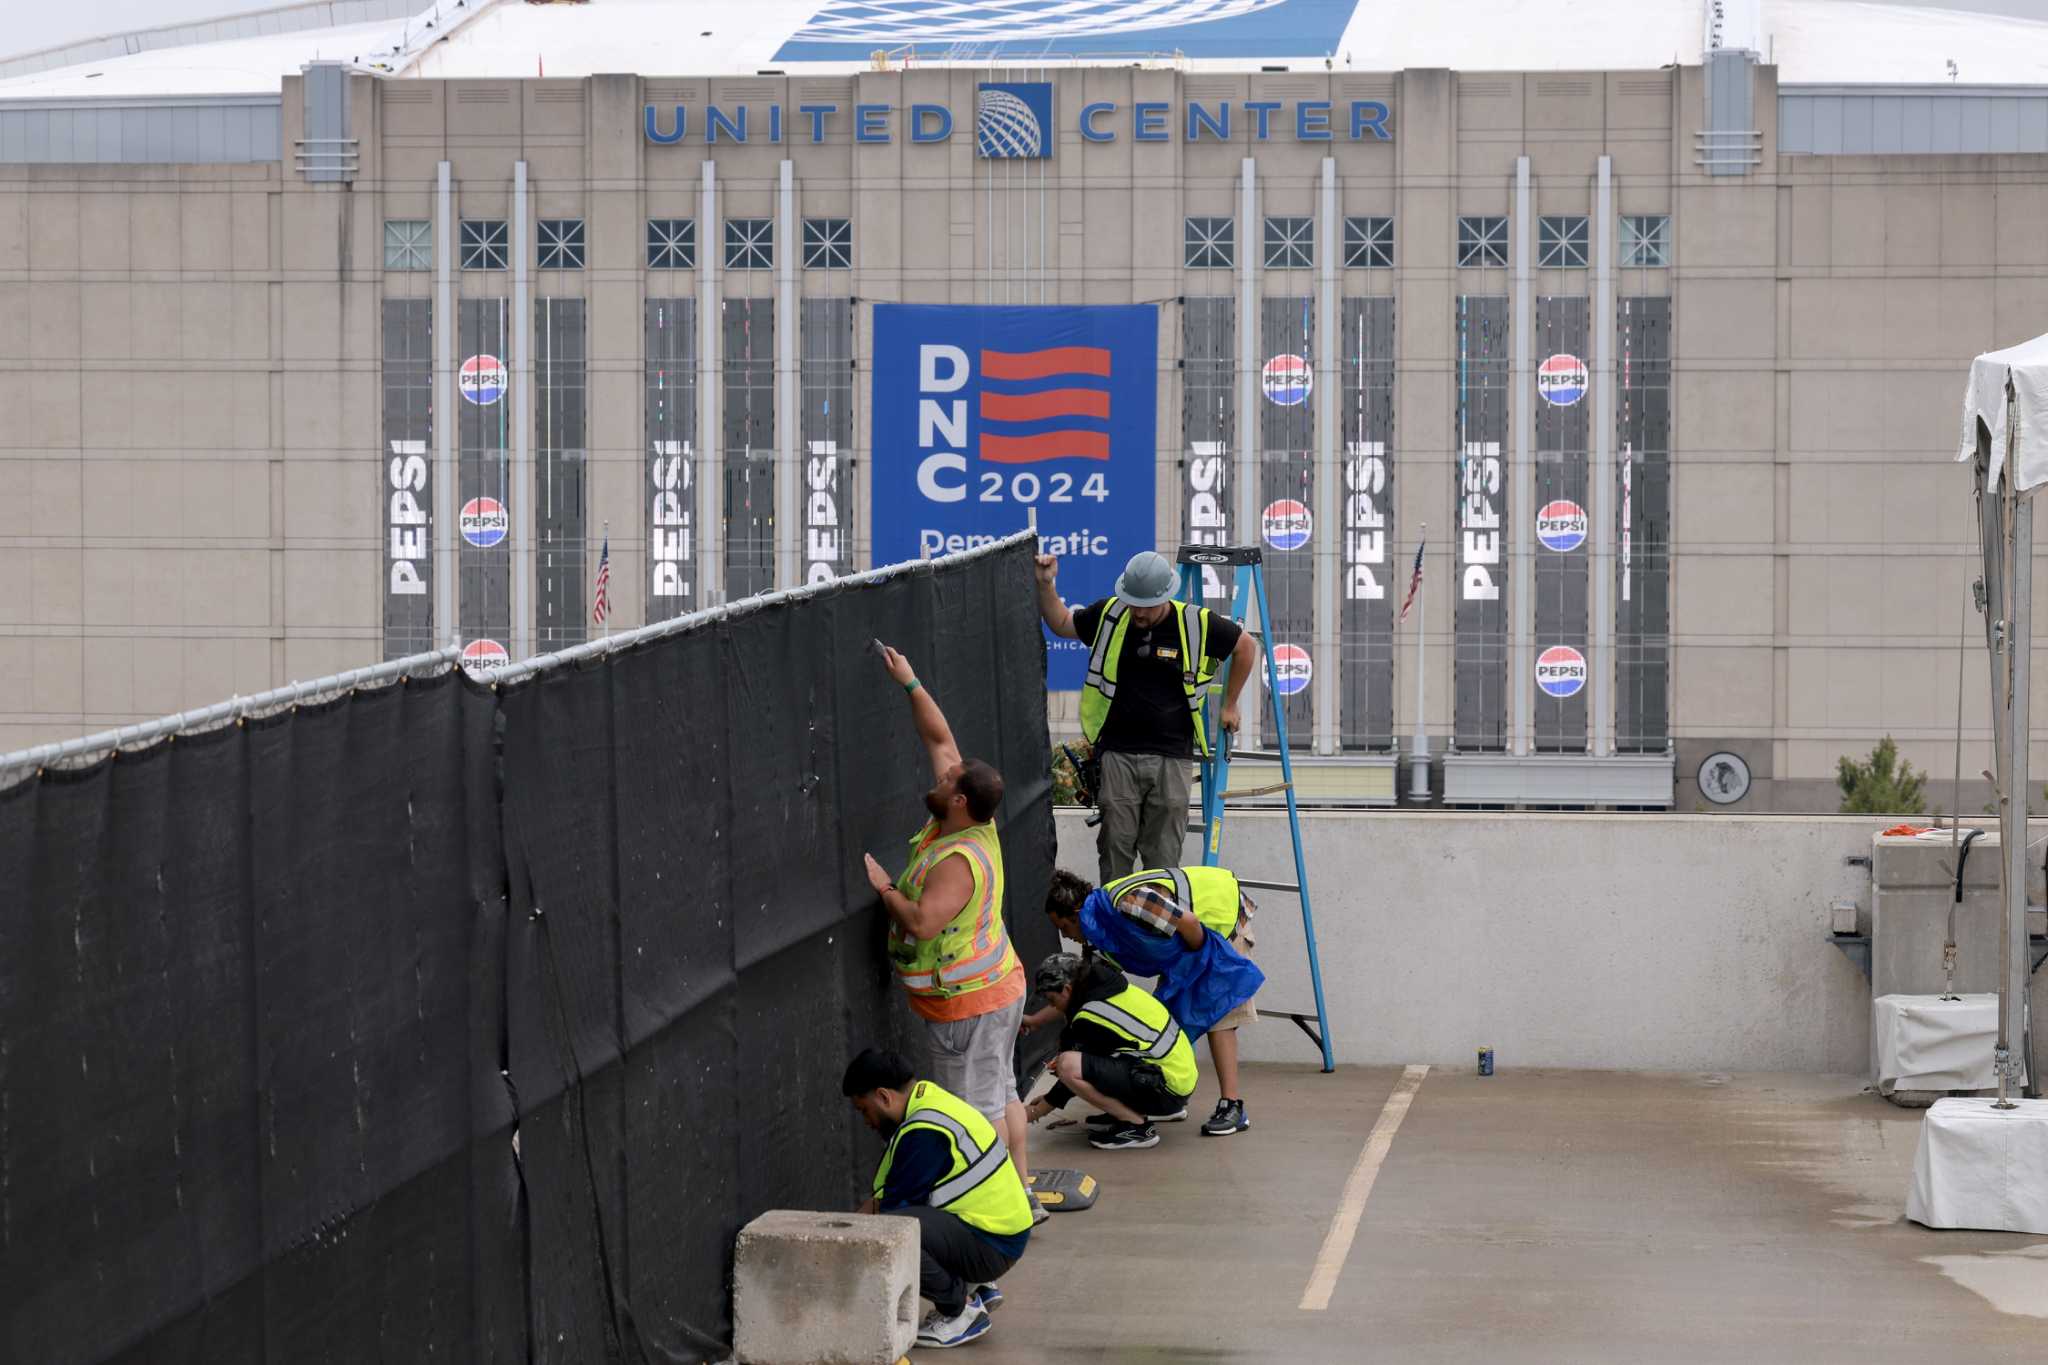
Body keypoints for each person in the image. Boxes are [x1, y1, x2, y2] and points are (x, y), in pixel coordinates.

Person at [860, 643, 1036, 1212]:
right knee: (1002, 1090)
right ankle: (1023, 1189)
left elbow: (922, 922)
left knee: (976, 1109)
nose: (943, 769)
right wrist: (909, 682)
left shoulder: (959, 861)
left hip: (971, 1006)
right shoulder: (960, 817)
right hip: (998, 988)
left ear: (958, 799)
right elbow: (939, 739)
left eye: (950, 777)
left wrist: (884, 888)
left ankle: (995, 1204)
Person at [1035, 548, 1258, 884]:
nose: (1137, 611)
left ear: (1166, 596)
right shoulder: (1111, 615)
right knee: (1115, 846)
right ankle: (1114, 925)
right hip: (1118, 754)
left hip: (1172, 756)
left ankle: (1155, 927)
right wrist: (1046, 585)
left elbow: (1245, 647)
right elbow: (1063, 623)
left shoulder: (1193, 623)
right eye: (1132, 601)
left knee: (1164, 854)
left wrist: (1231, 704)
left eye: (1145, 605)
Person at [1039, 864, 1264, 1137]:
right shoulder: (1101, 930)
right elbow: (1078, 991)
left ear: (1075, 914)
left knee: (1219, 1013)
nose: (1065, 936)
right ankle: (1168, 1101)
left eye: (1063, 927)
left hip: (1221, 924)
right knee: (1171, 1019)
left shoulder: (1127, 902)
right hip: (1188, 945)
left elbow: (1190, 923)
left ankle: (1233, 1107)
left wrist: (1198, 966)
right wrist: (1034, 1020)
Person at [845, 1048, 1033, 1350]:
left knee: (894, 1231)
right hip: (1003, 1231)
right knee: (901, 1218)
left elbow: (890, 1212)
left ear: (883, 1096)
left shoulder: (923, 1133)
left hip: (995, 1244)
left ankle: (959, 1310)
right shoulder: (931, 1100)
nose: (866, 1120)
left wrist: (847, 1243)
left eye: (863, 1109)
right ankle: (979, 1287)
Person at [1024, 952, 1199, 1151]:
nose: (1051, 1005)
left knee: (1068, 1064)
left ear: (1066, 989)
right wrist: (1034, 1021)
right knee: (1087, 1062)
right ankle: (1132, 1111)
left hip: (1166, 1090)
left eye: (1051, 999)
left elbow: (1078, 1072)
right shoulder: (1106, 987)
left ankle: (1136, 1128)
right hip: (1178, 1079)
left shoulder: (1090, 1017)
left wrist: (1037, 1110)